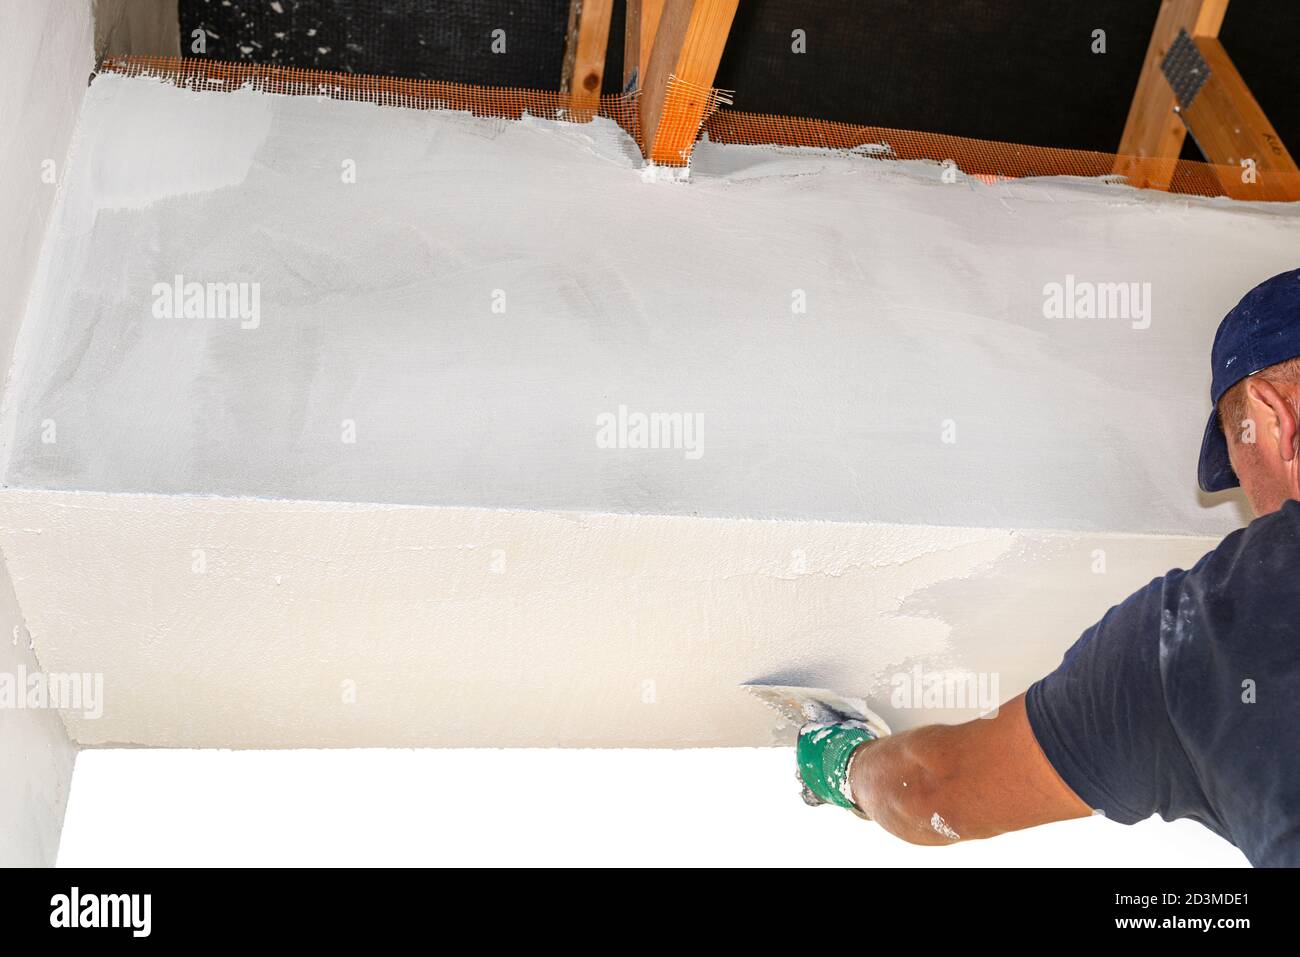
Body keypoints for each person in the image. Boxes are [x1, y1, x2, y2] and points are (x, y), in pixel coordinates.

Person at [796, 268, 1300, 867]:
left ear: (1273, 421)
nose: (1250, 504)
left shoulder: (1191, 637)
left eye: (1240, 467)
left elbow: (938, 792)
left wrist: (841, 765)